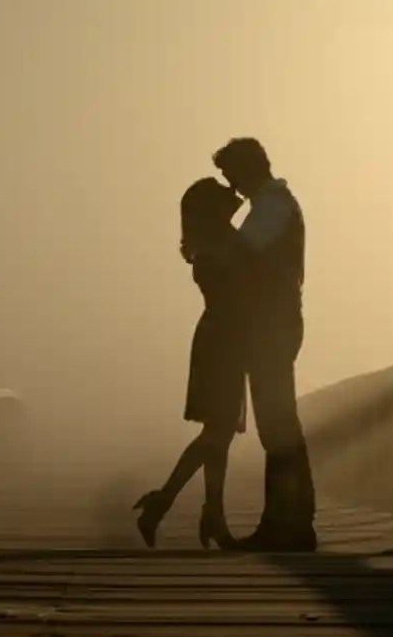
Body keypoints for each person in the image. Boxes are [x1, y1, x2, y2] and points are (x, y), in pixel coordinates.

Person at [211, 137, 317, 553]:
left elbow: (242, 255)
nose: (232, 186)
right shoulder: (273, 204)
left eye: (232, 175)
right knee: (279, 426)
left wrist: (209, 243)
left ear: (248, 167)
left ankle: (287, 525)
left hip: (270, 327)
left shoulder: (271, 207)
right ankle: (289, 522)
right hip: (274, 324)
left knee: (278, 428)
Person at [132, 178, 249, 550]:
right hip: (222, 342)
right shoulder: (218, 248)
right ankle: (169, 503)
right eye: (223, 196)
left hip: (222, 338)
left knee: (219, 434)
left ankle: (209, 512)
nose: (232, 197)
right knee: (218, 432)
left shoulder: (216, 244)